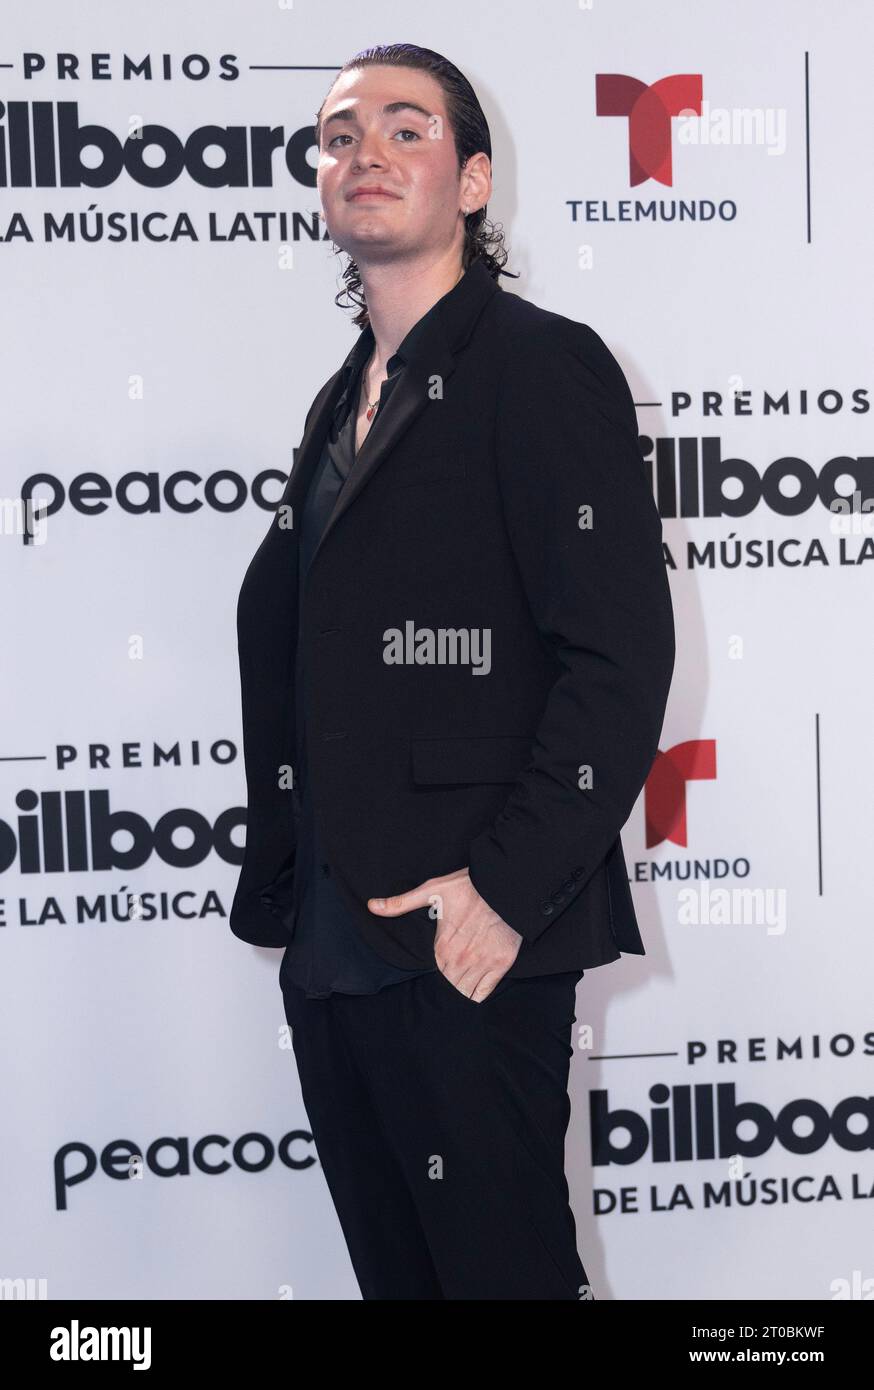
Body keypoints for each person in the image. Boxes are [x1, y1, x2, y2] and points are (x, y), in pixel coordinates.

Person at [230, 42, 675, 1300]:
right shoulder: (337, 404)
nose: (364, 150)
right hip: (333, 940)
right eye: (338, 133)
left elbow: (620, 652)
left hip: (464, 940)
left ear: (474, 182)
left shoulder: (540, 369)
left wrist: (502, 889)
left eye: (406, 128)